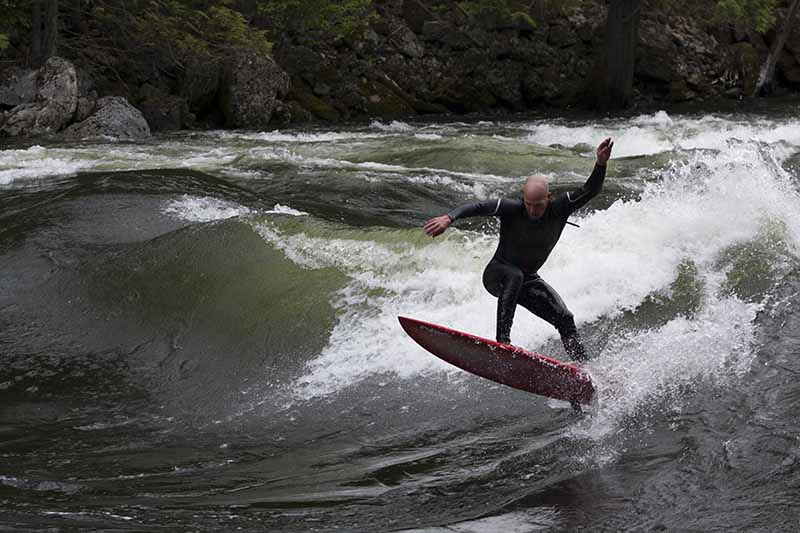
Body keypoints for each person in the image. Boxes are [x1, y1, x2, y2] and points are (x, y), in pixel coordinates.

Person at [423, 138, 614, 362]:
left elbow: (590, 190)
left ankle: (583, 370)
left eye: (538, 205)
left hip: (528, 280)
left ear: (549, 198)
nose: (532, 210)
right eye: (528, 204)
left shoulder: (561, 207)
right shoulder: (511, 208)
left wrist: (600, 164)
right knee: (515, 274)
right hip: (498, 275)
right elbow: (477, 207)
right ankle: (502, 342)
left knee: (564, 317)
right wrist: (449, 217)